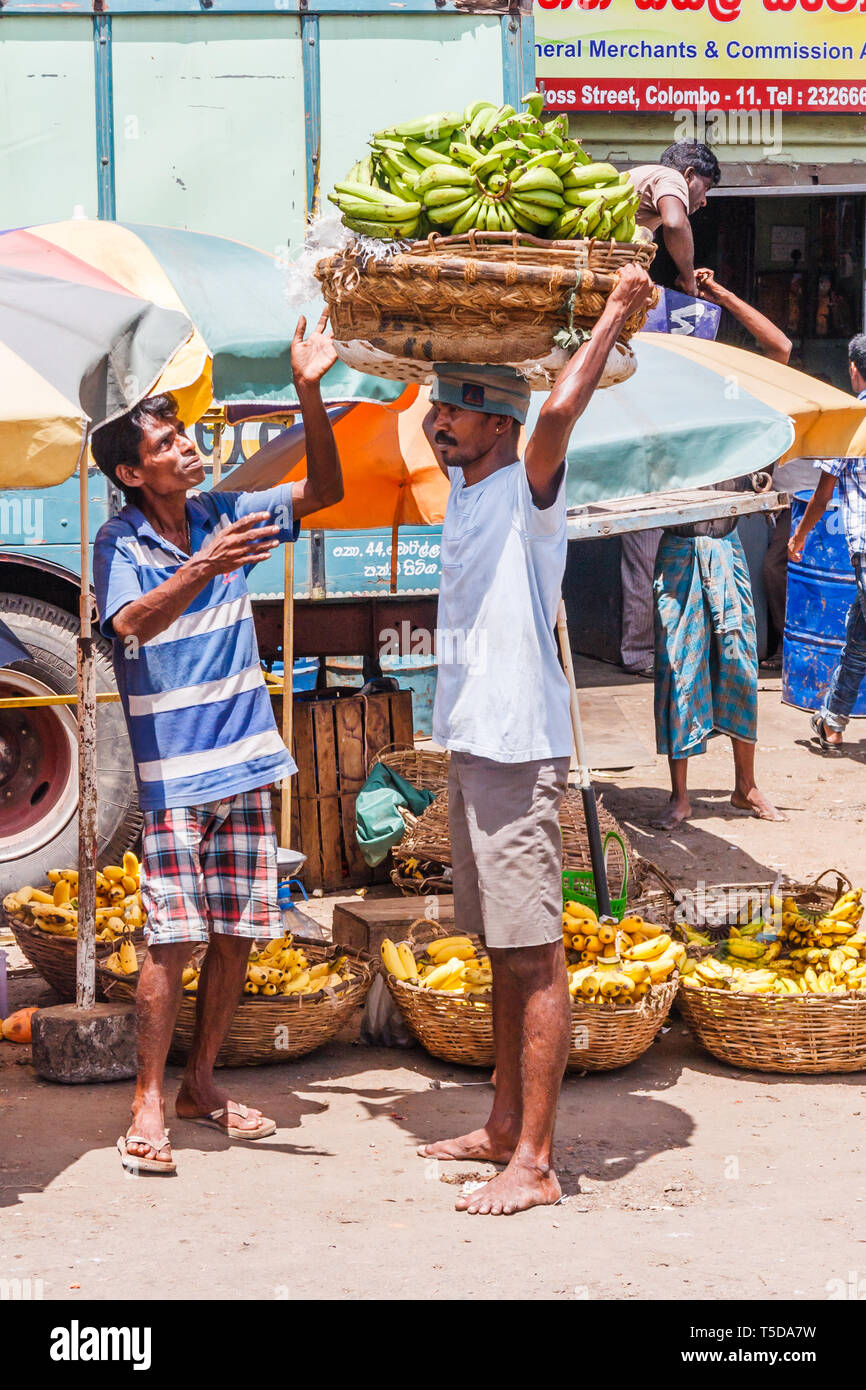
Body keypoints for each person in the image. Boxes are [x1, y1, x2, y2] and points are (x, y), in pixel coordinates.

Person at [416, 264, 655, 1216]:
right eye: (441, 410)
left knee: (534, 952)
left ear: (503, 428)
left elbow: (557, 413)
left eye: (462, 414)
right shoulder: (468, 496)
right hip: (476, 744)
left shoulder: (527, 486)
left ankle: (539, 1164)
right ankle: (504, 1124)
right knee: (498, 951)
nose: (442, 425)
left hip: (519, 746)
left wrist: (613, 315)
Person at [91, 312, 342, 1175]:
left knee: (236, 933)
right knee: (172, 939)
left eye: (186, 435)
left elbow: (325, 494)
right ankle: (147, 1101)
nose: (189, 448)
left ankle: (202, 1081)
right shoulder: (120, 540)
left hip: (246, 761)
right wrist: (205, 567)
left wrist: (309, 391)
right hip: (175, 779)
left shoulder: (227, 510)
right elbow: (130, 623)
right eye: (168, 443)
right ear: (133, 470)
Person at [652, 273, 790, 830]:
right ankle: (680, 797)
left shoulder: (739, 401)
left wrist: (724, 298)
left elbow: (779, 348)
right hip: (681, 554)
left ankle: (745, 788)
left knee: (737, 666)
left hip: (725, 549)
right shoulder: (662, 407)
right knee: (679, 669)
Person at [695, 267, 795, 670]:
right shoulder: (680, 385)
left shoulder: (740, 386)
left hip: (733, 513)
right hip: (686, 512)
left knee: (736, 602)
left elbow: (779, 347)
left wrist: (722, 294)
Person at [787, 334, 866, 751]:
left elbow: (822, 495)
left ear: (854, 370)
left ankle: (833, 720)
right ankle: (833, 721)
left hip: (864, 547)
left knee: (860, 636)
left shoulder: (850, 423)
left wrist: (799, 536)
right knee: (859, 637)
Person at [630, 141, 720, 298]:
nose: (704, 201)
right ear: (689, 174)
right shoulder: (672, 176)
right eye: (706, 187)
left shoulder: (653, 182)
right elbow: (675, 224)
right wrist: (689, 281)